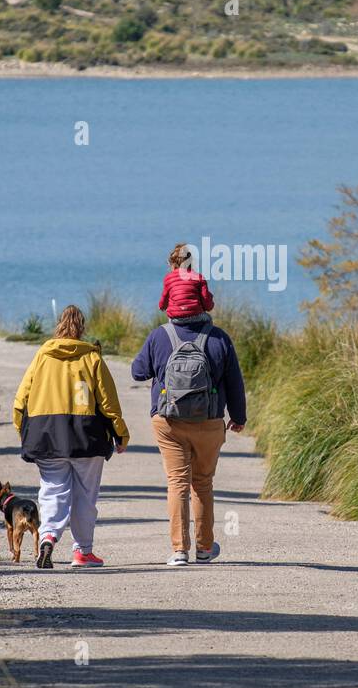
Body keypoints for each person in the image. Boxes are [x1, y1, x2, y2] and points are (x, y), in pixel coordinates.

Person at [13, 305, 128, 569]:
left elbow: (20, 401)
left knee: (52, 491)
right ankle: (83, 552)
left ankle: (48, 538)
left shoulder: (42, 356)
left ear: (59, 326)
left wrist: (24, 432)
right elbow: (109, 403)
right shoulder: (92, 358)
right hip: (87, 439)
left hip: (47, 438)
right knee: (85, 497)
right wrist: (121, 434)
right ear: (82, 328)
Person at [131, 311, 246, 566]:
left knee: (177, 483)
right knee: (202, 483)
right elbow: (235, 383)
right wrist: (238, 417)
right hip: (210, 420)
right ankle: (204, 548)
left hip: (168, 421)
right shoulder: (219, 338)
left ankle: (179, 550)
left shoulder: (160, 336)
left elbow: (138, 372)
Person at [158, 242, 214, 325]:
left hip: (175, 319)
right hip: (196, 316)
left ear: (172, 264)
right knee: (208, 318)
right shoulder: (199, 277)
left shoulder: (168, 278)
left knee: (169, 322)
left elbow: (163, 304)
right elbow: (207, 305)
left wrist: (162, 306)